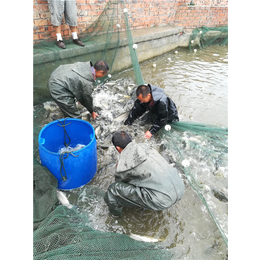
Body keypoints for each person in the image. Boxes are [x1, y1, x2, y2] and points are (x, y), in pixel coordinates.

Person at [104, 131, 185, 217]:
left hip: (162, 200)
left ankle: (115, 216)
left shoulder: (124, 165)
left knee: (113, 190)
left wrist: (120, 168)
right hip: (180, 187)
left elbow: (120, 183)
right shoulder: (145, 146)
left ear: (118, 148)